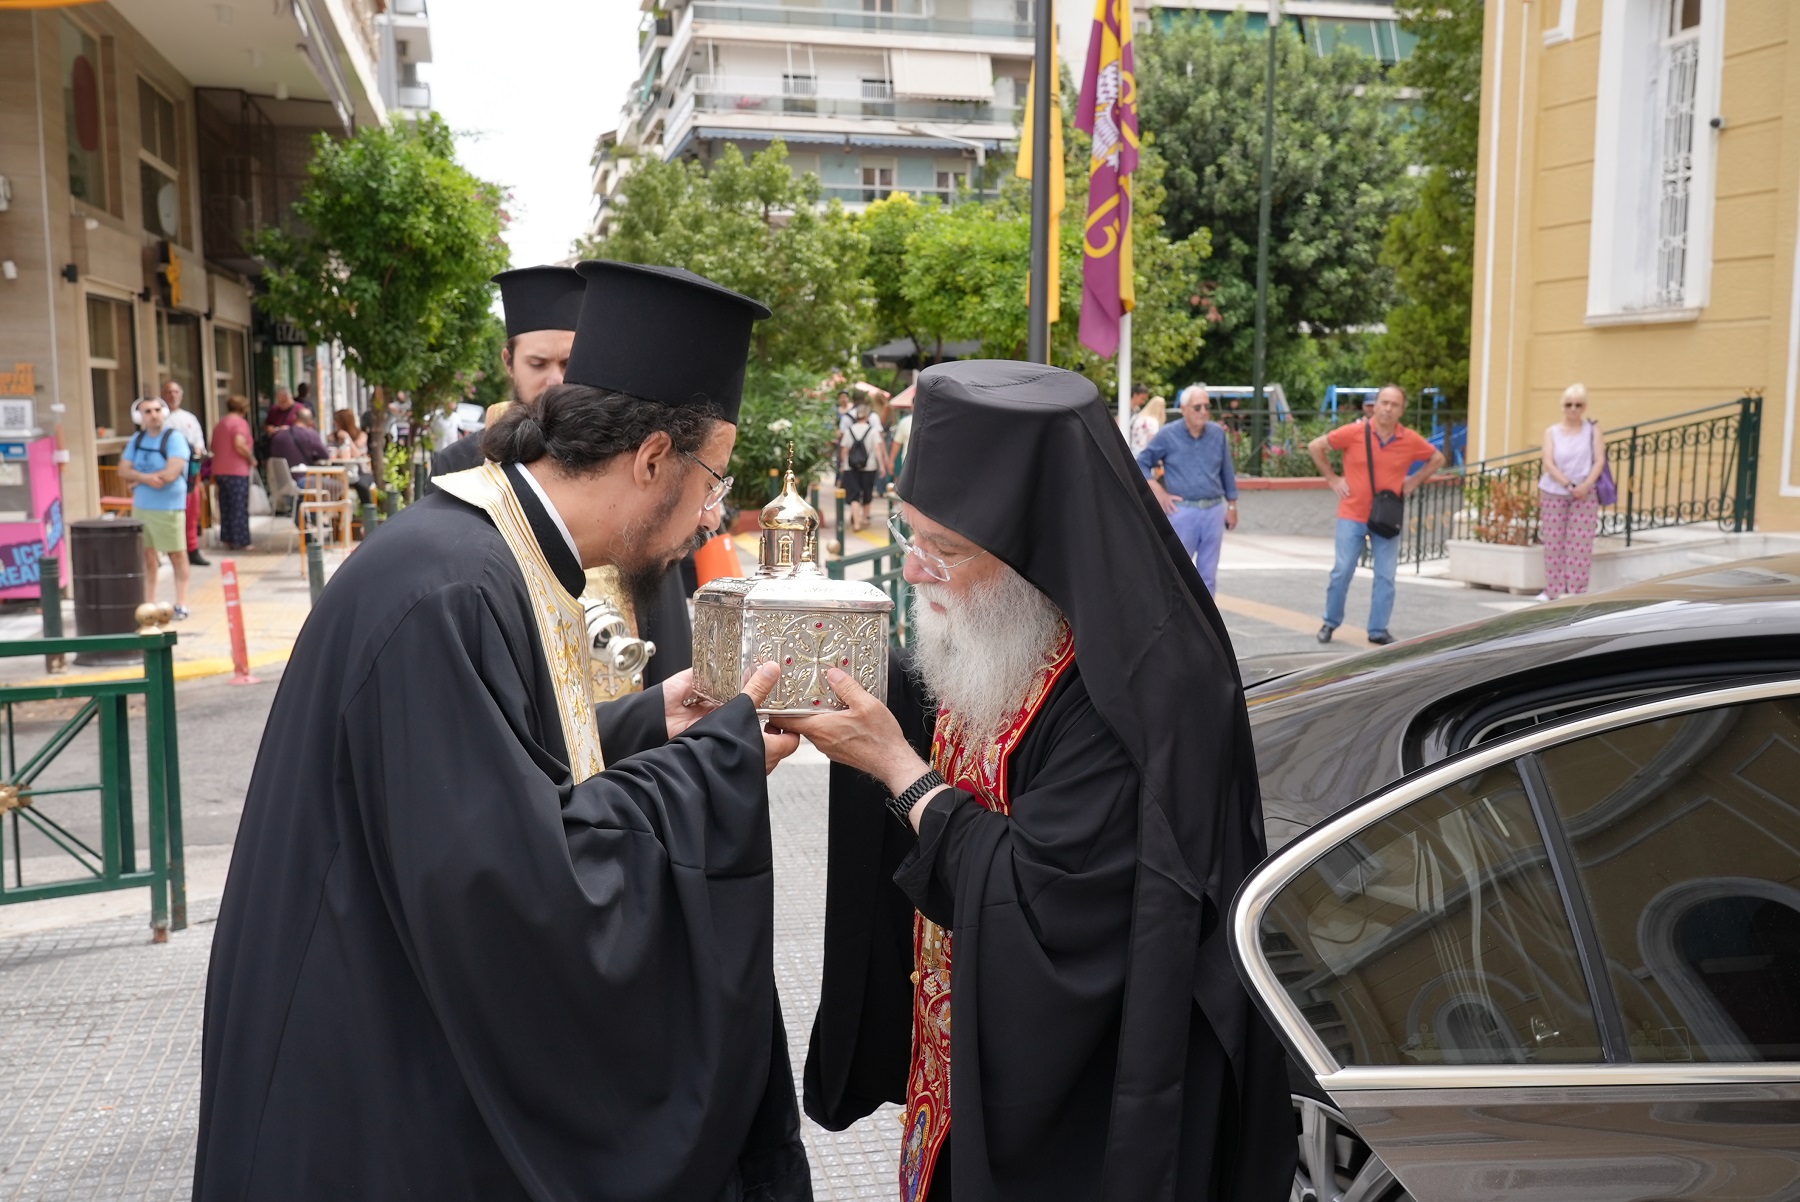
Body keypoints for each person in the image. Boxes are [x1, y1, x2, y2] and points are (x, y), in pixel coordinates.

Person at [195, 261, 812, 1202]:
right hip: (366, 1082)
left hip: (385, 1015)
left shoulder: (487, 548)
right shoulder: (453, 585)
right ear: (651, 459)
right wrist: (717, 766)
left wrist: (653, 718)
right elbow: (516, 886)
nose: (713, 515)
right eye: (714, 480)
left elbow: (489, 766)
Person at [787, 360, 1292, 1202]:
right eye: (911, 539)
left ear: (1035, 555)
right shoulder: (1007, 624)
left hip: (1082, 1115)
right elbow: (952, 723)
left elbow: (1046, 902)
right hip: (960, 1077)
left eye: (944, 551)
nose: (914, 571)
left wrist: (898, 770)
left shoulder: (1138, 690)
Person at [1309, 383, 1445, 646]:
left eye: (1394, 404)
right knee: (1342, 571)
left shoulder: (1409, 439)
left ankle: (1378, 629)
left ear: (1401, 410)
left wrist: (1414, 481)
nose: (1388, 409)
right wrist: (1333, 478)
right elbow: (1316, 446)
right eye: (1384, 402)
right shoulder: (1355, 432)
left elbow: (1437, 458)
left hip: (1386, 517)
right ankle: (1330, 621)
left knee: (1386, 576)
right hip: (1352, 513)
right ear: (1375, 405)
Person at [431, 266, 582, 483]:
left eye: (568, 363)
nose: (555, 380)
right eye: (538, 364)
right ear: (508, 362)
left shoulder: (612, 462)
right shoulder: (456, 466)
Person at [1137, 384, 1238, 595]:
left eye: (1207, 407)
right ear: (1184, 409)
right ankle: (1180, 625)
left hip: (1213, 511)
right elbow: (1141, 462)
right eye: (1198, 407)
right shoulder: (1168, 435)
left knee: (1208, 577)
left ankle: (1207, 627)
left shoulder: (1217, 434)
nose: (1204, 412)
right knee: (1178, 574)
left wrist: (1232, 505)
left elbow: (1227, 471)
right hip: (1183, 512)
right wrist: (1159, 491)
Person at [117, 396, 192, 620]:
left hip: (169, 507)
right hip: (142, 507)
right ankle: (148, 603)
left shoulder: (174, 438)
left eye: (158, 409)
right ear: (139, 416)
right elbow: (122, 470)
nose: (154, 414)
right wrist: (147, 478)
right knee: (147, 556)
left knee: (177, 554)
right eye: (147, 411)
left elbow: (171, 474)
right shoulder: (137, 439)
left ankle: (182, 603)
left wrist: (138, 479)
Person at [1538, 383, 1607, 601]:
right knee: (1553, 541)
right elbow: (1548, 462)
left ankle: (1577, 591)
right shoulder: (1552, 432)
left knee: (1580, 543)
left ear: (1584, 407)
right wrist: (1568, 485)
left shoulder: (1592, 430)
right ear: (1562, 406)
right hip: (1554, 490)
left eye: (1578, 405)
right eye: (1569, 404)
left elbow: (1599, 460)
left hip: (1585, 492)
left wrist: (1585, 485)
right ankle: (1553, 590)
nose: (1573, 409)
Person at [158, 380, 211, 566]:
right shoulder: (160, 419)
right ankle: (166, 550)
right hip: (166, 472)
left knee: (191, 510)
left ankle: (192, 549)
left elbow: (199, 444)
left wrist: (196, 453)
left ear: (181, 395)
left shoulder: (189, 418)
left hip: (189, 473)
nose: (172, 396)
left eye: (175, 392)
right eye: (168, 392)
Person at [210, 395, 256, 550]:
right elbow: (239, 443)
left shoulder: (220, 423)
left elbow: (213, 445)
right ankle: (241, 540)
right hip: (237, 470)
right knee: (239, 506)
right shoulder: (239, 423)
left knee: (226, 505)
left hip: (219, 470)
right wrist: (250, 457)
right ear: (244, 409)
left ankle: (227, 538)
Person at [839, 402, 885, 532]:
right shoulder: (873, 431)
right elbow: (877, 449)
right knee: (867, 492)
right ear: (868, 416)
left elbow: (844, 449)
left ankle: (856, 523)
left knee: (854, 495)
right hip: (869, 467)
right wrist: (881, 465)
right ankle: (865, 518)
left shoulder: (849, 431)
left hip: (850, 467)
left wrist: (843, 464)